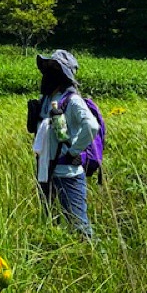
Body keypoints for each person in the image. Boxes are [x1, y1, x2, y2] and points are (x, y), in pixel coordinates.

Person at [32, 49, 99, 240]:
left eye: (54, 70)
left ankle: (92, 258)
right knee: (49, 221)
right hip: (46, 171)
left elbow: (91, 126)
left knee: (80, 226)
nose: (47, 74)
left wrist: (74, 151)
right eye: (47, 69)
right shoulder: (47, 99)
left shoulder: (73, 100)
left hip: (68, 173)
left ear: (63, 75)